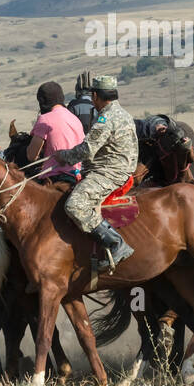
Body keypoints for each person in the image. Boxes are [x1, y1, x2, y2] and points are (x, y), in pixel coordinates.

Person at [52, 75, 139, 272]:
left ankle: (116, 243)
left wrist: (62, 156)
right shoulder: (123, 113)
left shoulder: (106, 118)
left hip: (108, 173)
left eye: (93, 96)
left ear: (96, 96)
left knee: (74, 205)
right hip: (115, 169)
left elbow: (87, 150)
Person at [25, 81, 85, 183]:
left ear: (42, 101)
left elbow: (31, 156)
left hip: (53, 177)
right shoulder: (75, 119)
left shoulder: (44, 119)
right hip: (76, 176)